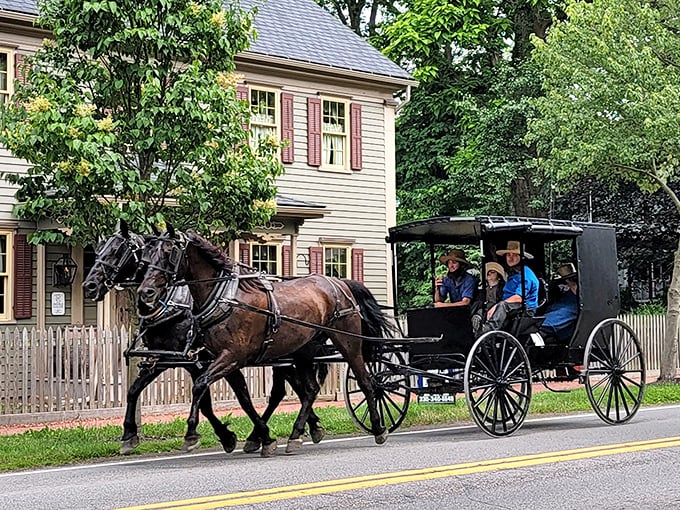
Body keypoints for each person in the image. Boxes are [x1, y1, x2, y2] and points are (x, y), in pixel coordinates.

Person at [482, 240, 539, 332]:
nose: (511, 258)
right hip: (511, 308)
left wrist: (496, 306)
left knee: (502, 305)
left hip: (525, 310)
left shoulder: (526, 274)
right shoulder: (513, 274)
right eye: (509, 255)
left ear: (521, 257)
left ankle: (488, 331)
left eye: (515, 255)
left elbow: (518, 298)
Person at [540, 263, 579, 342]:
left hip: (572, 307)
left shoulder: (576, 290)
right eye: (569, 279)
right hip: (560, 306)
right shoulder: (561, 289)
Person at [471, 262, 505, 335]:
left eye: (492, 272)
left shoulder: (502, 289)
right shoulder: (483, 290)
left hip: (496, 311)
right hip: (484, 310)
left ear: (498, 276)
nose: (489, 273)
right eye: (488, 272)